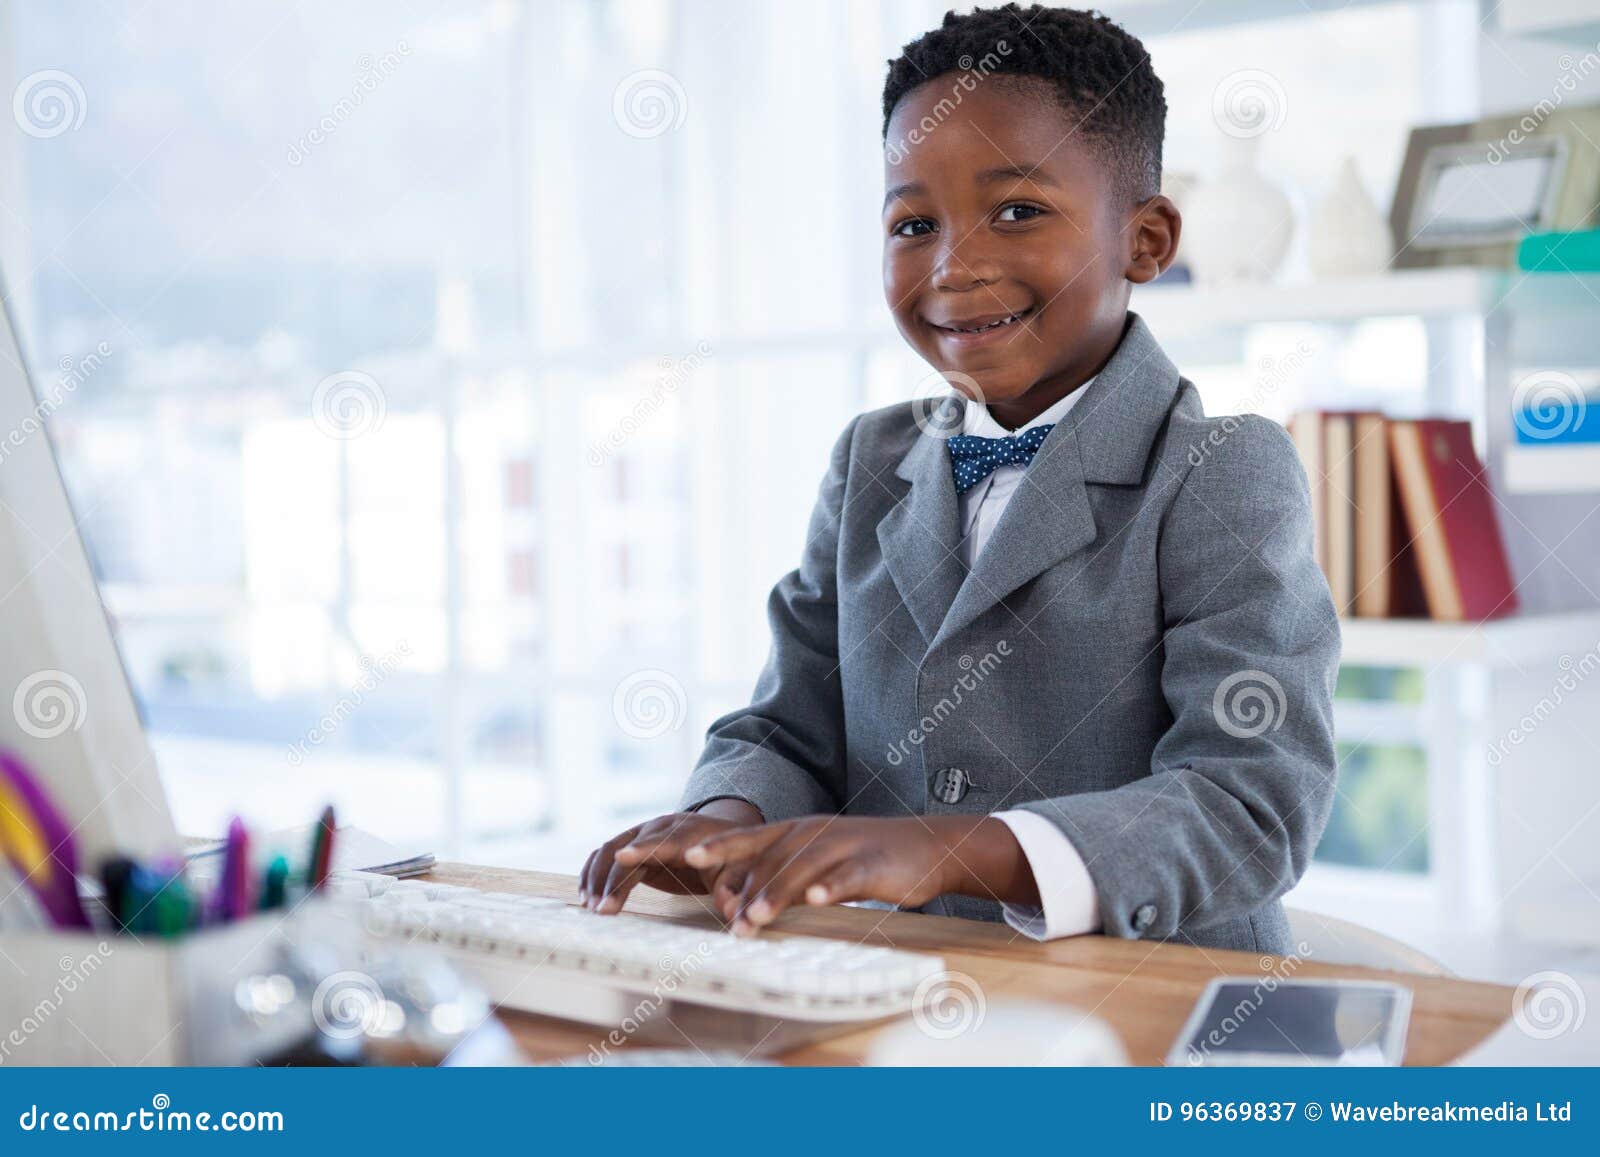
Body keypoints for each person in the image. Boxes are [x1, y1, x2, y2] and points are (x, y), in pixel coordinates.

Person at [579, 3, 1338, 953]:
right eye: (912, 222)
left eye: (1018, 211)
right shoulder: (871, 461)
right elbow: (786, 730)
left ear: (1145, 241)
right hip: (910, 1000)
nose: (953, 265)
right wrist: (727, 816)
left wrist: (947, 849)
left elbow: (1248, 802)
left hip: (1157, 1025)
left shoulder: (1222, 471)